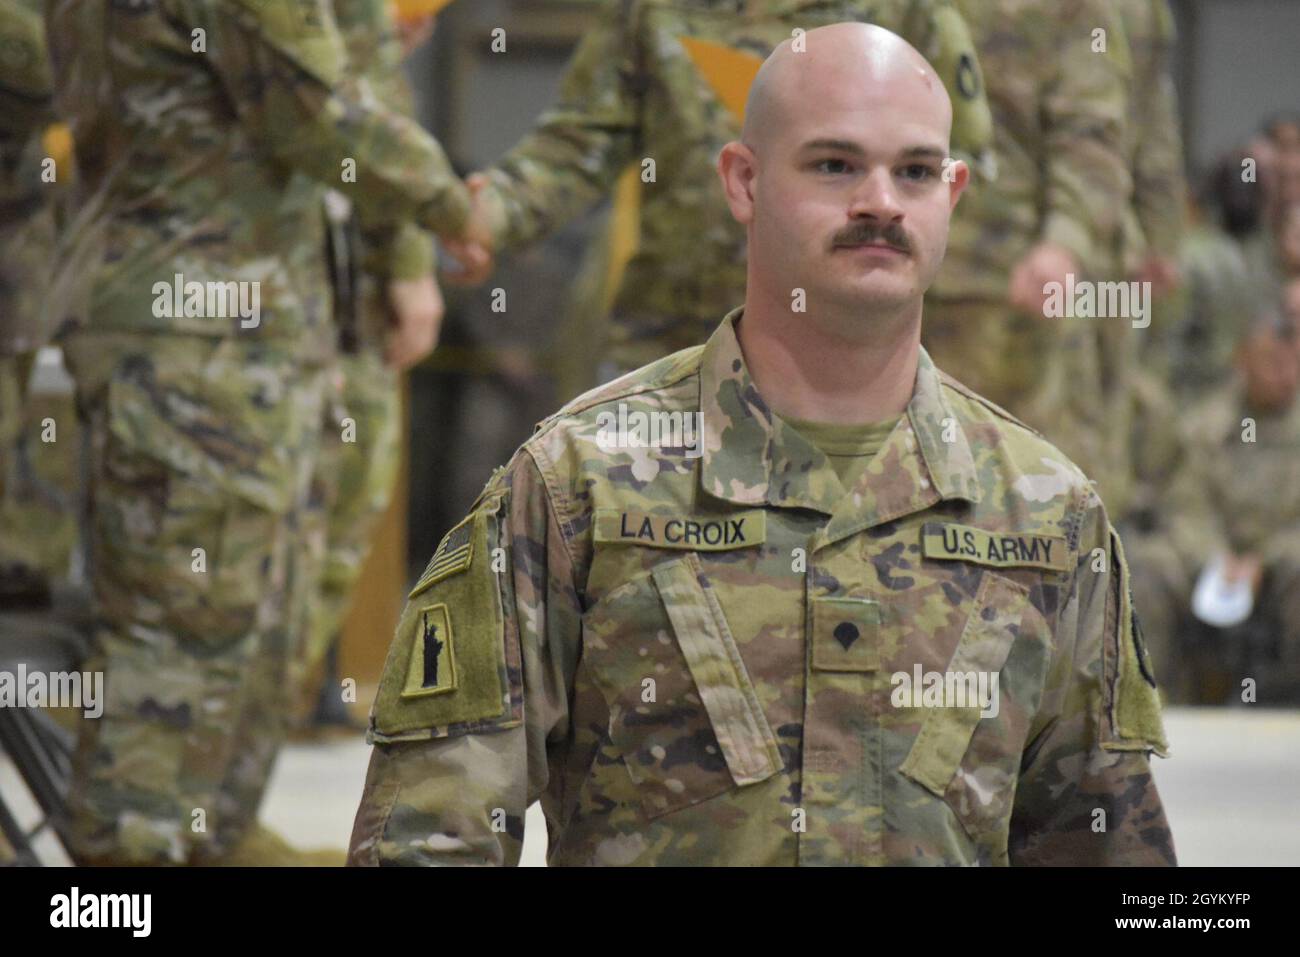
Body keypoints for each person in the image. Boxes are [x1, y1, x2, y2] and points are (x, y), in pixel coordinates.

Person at [349, 22, 1174, 867]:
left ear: (954, 192)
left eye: (916, 171)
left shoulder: (1046, 513)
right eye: (834, 165)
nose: (881, 202)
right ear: (744, 182)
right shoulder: (579, 486)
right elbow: (427, 838)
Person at [46, 0, 485, 866]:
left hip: (219, 329)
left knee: (244, 638)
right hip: (201, 342)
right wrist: (455, 206)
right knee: (179, 649)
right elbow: (319, 110)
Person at [459, 0, 994, 377]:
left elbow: (952, 161)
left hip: (846, 353)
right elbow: (580, 142)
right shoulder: (650, 8)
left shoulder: (908, 10)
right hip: (671, 342)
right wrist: (490, 215)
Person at [921, 0, 1131, 501]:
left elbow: (1092, 137)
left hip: (1006, 292)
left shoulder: (1069, 10)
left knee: (1031, 489)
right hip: (886, 278)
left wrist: (1064, 243)